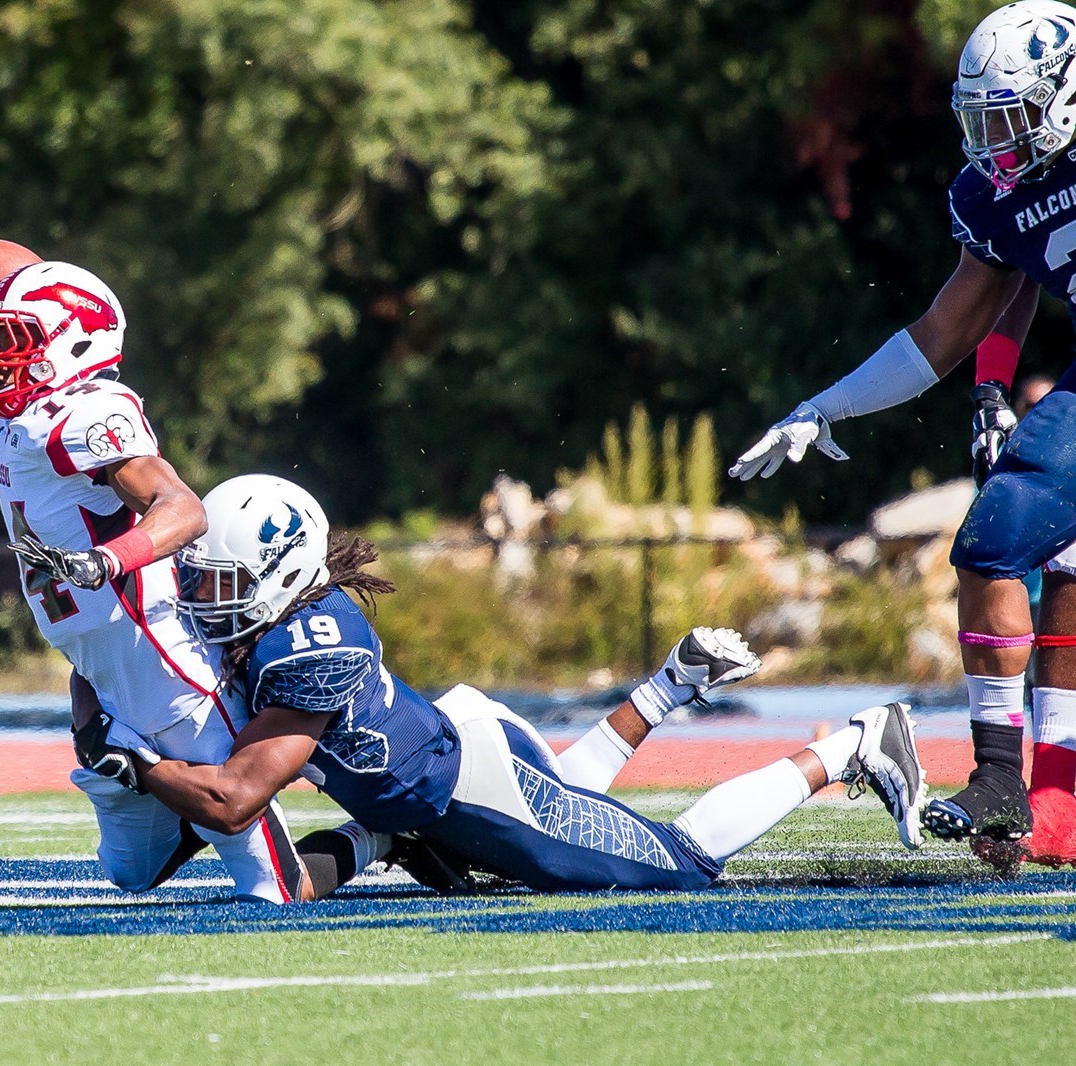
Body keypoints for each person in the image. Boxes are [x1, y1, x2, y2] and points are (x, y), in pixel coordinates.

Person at [68, 474, 928, 900]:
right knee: (560, 814)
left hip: (470, 779)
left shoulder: (310, 648)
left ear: (278, 571)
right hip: (433, 774)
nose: (202, 599)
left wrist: (128, 765)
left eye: (220, 582)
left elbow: (232, 801)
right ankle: (667, 689)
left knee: (679, 867)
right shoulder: (278, 620)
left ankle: (850, 744)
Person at [730, 1, 1076, 865]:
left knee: (1036, 541)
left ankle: (1028, 786)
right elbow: (945, 328)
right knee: (1017, 540)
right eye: (983, 118)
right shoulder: (995, 195)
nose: (995, 139)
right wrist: (827, 403)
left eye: (1013, 114)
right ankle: (1020, 788)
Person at [0, 261, 304, 902]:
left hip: (154, 650)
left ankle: (371, 838)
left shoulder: (85, 414)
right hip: (98, 665)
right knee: (131, 874)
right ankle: (165, 798)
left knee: (269, 886)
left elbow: (182, 507)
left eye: (10, 340)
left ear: (72, 341)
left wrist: (109, 560)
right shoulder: (23, 429)